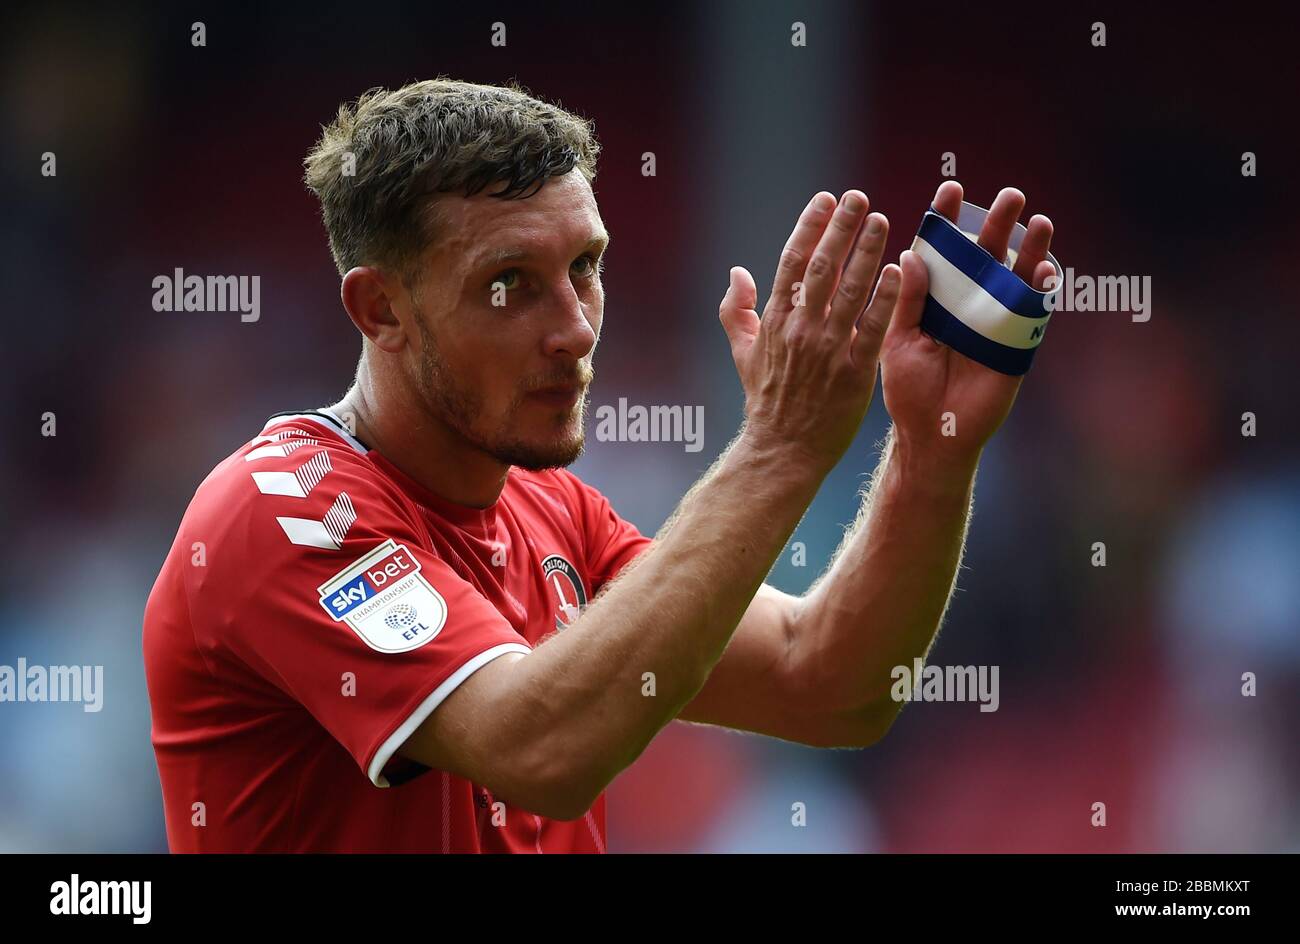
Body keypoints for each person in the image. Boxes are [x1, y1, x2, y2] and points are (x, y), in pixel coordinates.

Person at [143, 78, 1056, 852]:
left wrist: (931, 453)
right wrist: (779, 446)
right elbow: (544, 750)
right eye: (510, 285)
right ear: (379, 308)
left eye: (587, 266)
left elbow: (834, 686)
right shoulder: (285, 510)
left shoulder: (554, 510)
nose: (575, 329)